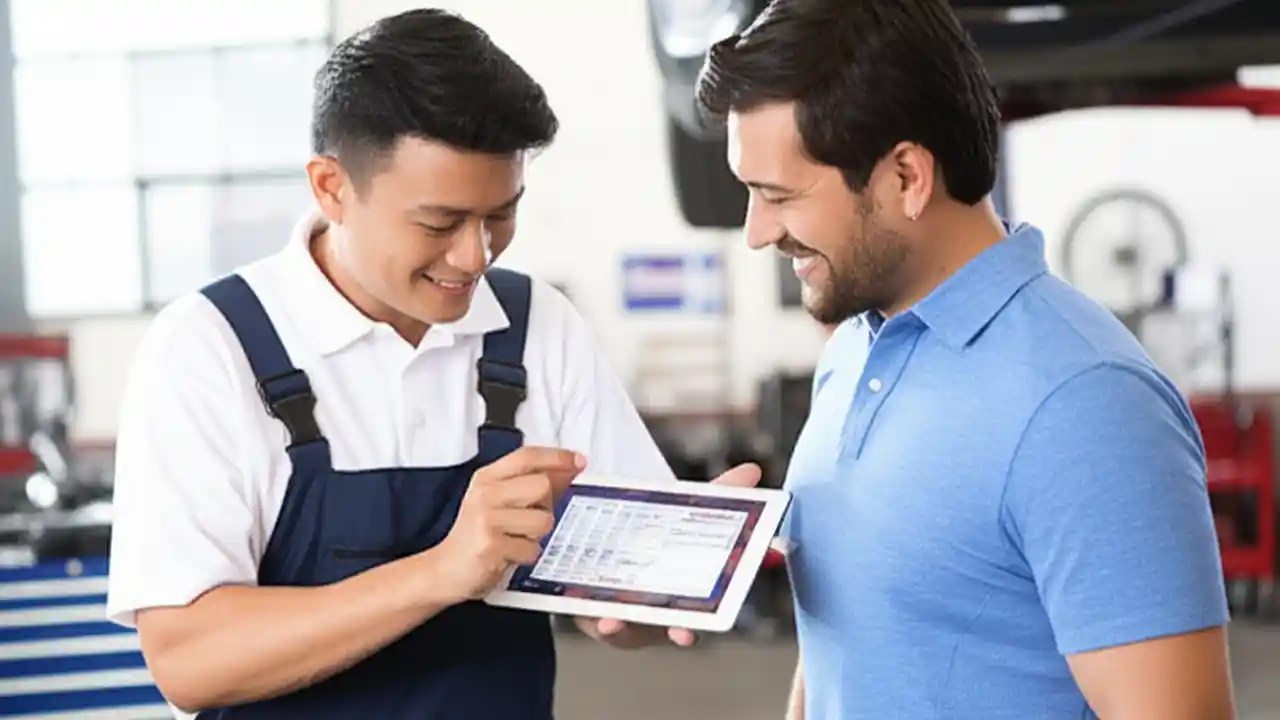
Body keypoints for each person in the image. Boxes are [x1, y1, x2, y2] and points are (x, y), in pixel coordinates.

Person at [106, 9, 757, 719]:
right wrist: (444, 571)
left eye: (500, 214)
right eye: (439, 223)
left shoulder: (537, 327)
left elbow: (620, 602)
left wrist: (665, 590)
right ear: (331, 187)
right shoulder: (208, 350)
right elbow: (190, 661)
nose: (475, 256)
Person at [695, 1, 1234, 718]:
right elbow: (849, 648)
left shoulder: (1086, 406)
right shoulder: (853, 349)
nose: (757, 233)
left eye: (779, 196)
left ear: (908, 177)